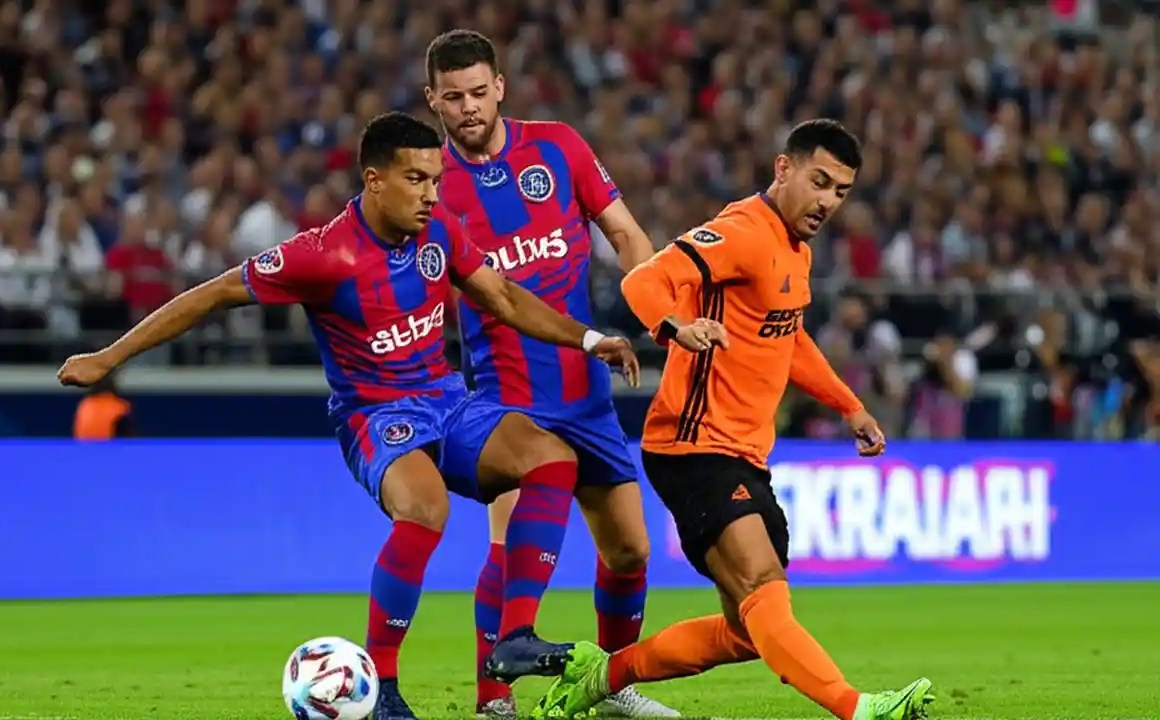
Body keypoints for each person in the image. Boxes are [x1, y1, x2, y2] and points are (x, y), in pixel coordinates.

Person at [56, 112, 640, 720]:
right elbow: (212, 293)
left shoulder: (439, 228)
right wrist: (109, 356)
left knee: (551, 457)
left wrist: (588, 339)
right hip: (376, 414)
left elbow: (503, 297)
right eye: (416, 180)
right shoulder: (322, 255)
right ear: (374, 179)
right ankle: (383, 687)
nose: (431, 194)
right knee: (426, 508)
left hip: (445, 398)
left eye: (436, 179)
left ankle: (516, 637)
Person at [531, 120, 935, 720]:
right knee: (761, 581)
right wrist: (675, 327)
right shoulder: (743, 231)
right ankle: (859, 709)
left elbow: (787, 336)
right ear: (783, 169)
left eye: (841, 192)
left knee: (746, 631)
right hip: (693, 446)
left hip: (744, 452)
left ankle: (601, 676)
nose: (827, 201)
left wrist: (849, 405)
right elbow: (646, 279)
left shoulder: (796, 249)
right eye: (819, 182)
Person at [423, 29, 677, 720]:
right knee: (507, 547)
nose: (470, 107)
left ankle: (611, 684)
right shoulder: (431, 189)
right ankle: (493, 698)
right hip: (509, 397)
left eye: (480, 92)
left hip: (585, 391)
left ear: (501, 86)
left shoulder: (558, 147)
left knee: (629, 551)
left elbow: (625, 233)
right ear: (433, 102)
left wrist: (657, 309)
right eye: (454, 98)